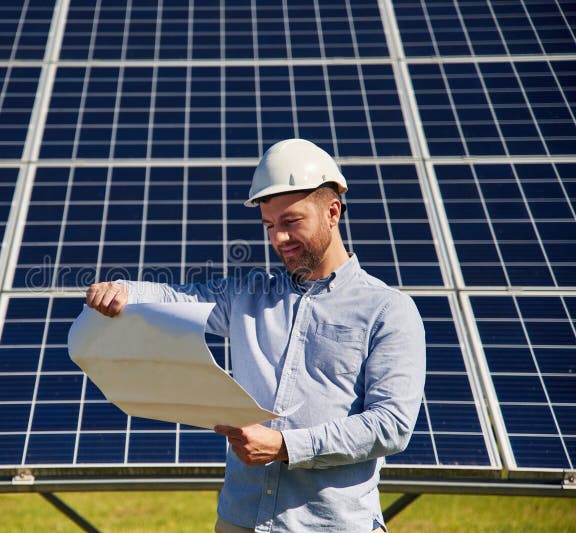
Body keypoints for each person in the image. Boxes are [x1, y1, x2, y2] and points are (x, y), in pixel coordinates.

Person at [85, 139, 426, 532]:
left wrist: (284, 447)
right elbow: (176, 298)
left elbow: (390, 425)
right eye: (269, 226)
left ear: (333, 212)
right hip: (240, 519)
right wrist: (124, 291)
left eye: (291, 221)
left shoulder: (388, 311)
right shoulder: (248, 295)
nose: (278, 239)